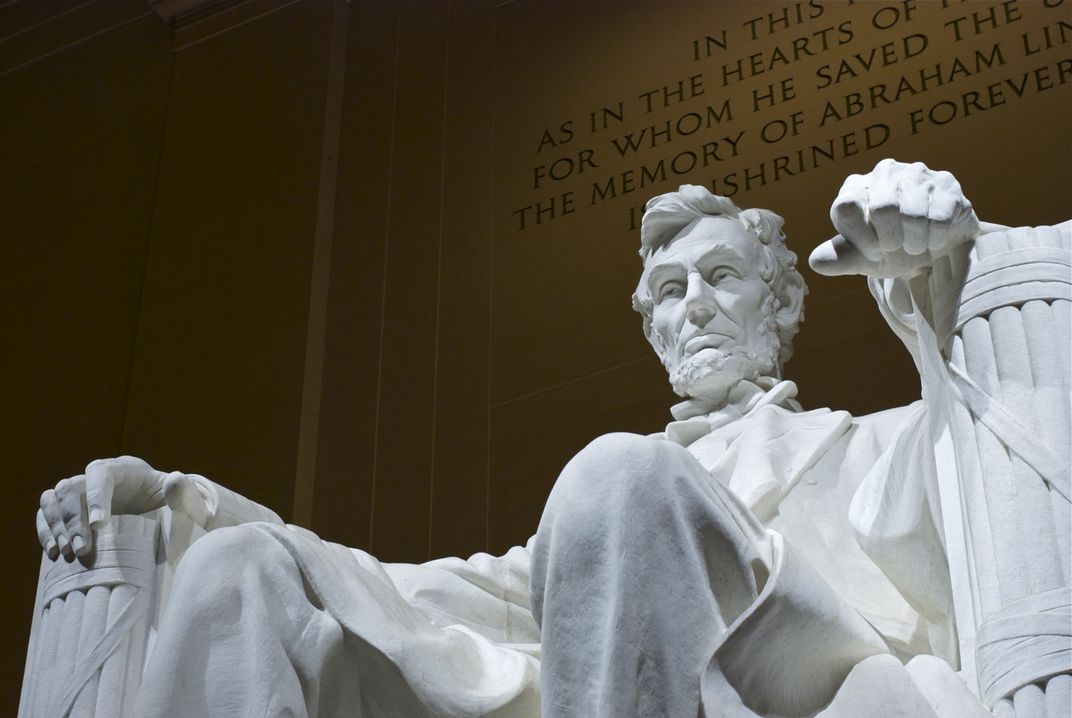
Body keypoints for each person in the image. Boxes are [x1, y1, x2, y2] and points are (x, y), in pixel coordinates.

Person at [32, 160, 1066, 717]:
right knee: (238, 572)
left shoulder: (868, 442)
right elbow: (413, 590)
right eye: (668, 289)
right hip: (601, 627)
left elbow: (983, 461)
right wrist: (190, 506)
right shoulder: (584, 519)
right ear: (648, 322)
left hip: (791, 680)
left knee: (620, 476)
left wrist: (945, 277)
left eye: (720, 278)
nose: (692, 305)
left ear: (779, 306)